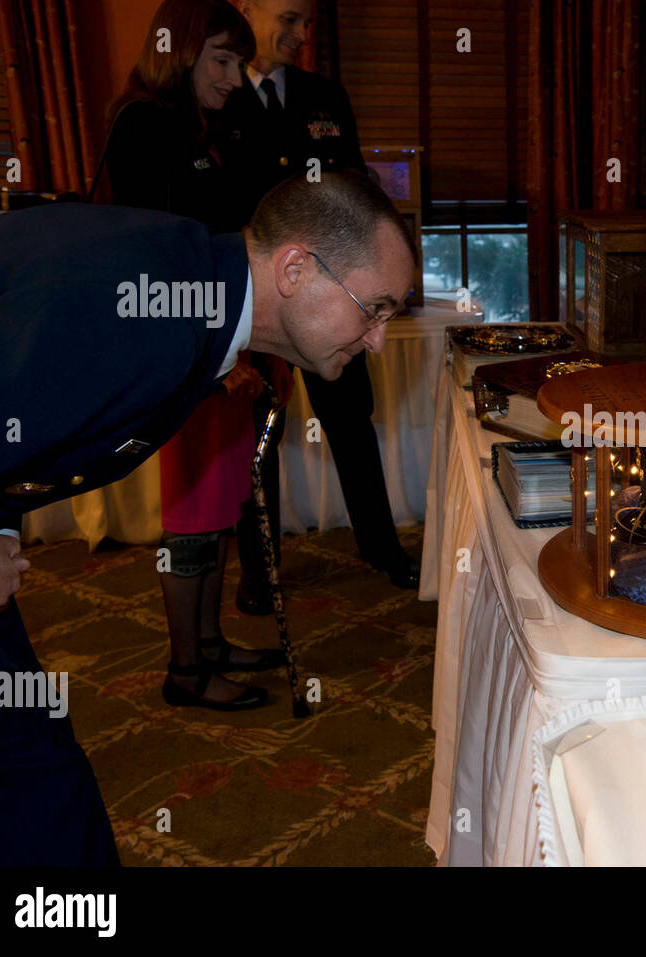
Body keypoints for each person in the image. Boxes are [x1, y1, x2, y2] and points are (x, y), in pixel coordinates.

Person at [0, 172, 416, 865]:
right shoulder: (146, 320)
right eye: (374, 307)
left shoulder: (189, 288)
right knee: (33, 789)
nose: (380, 340)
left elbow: (3, 426)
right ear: (296, 268)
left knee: (33, 762)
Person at [102, 0, 288, 710]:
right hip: (186, 352)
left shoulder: (204, 125)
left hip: (218, 345)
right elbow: (157, 258)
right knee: (190, 516)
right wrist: (214, 354)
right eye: (220, 60)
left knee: (217, 507)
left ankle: (208, 643)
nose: (235, 77)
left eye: (241, 62)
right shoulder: (144, 124)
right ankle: (186, 670)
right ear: (177, 51)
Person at [225, 0, 420, 612]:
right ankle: (261, 572)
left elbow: (354, 193)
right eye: (288, 18)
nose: (301, 34)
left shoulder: (324, 95)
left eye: (308, 23)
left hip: (330, 299)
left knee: (351, 426)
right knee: (255, 439)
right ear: (247, 8)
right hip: (255, 301)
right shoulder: (214, 92)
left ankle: (381, 547)